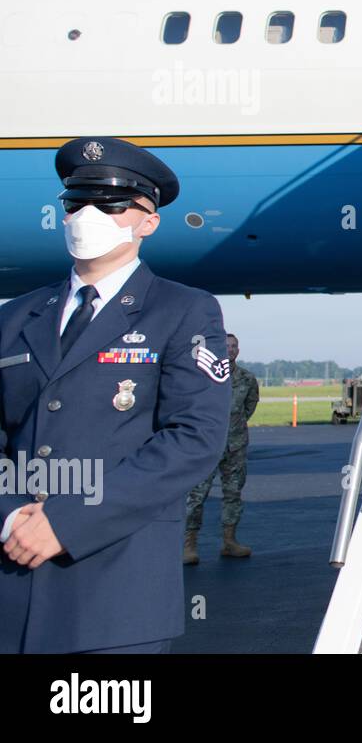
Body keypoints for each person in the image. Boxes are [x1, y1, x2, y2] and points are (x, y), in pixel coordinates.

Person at [0, 137, 231, 653]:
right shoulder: (13, 317)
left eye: (110, 203)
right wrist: (12, 515)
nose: (89, 214)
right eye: (76, 201)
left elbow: (193, 440)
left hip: (114, 596)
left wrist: (65, 521)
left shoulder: (183, 311)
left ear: (148, 221)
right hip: (12, 583)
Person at [183, 332, 259, 563]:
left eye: (235, 346)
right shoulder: (205, 377)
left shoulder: (247, 379)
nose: (231, 349)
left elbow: (249, 407)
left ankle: (229, 542)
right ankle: (189, 545)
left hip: (235, 446)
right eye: (227, 346)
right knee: (196, 496)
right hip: (206, 446)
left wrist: (232, 429)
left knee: (233, 494)